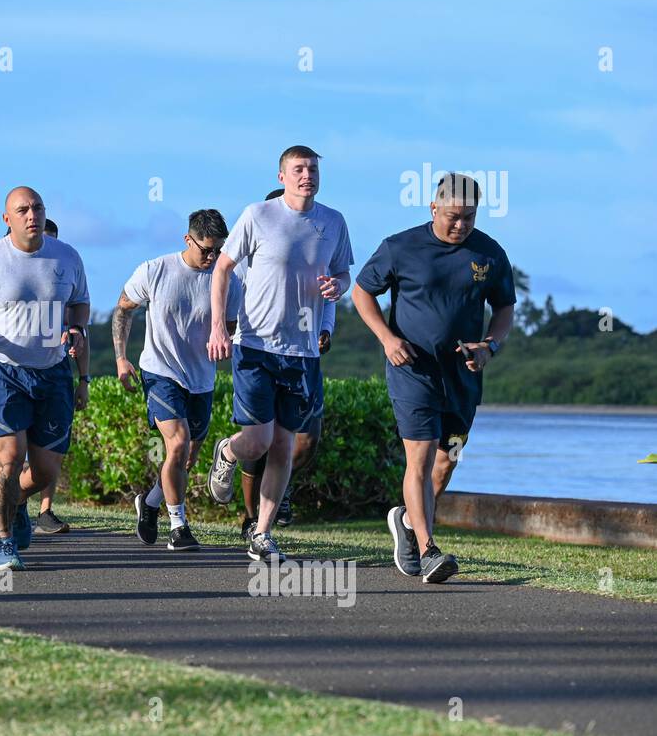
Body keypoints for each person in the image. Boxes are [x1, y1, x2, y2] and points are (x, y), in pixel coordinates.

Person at [352, 172, 515, 583]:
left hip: (462, 377)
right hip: (413, 371)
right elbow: (361, 292)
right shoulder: (400, 247)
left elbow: (504, 308)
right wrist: (387, 339)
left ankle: (406, 519)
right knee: (421, 458)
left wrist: (490, 346)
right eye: (453, 216)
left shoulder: (490, 253)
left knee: (448, 461)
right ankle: (428, 549)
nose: (460, 225)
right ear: (433, 208)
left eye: (470, 217)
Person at [205, 146, 353, 564]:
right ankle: (227, 452)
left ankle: (262, 533)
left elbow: (343, 273)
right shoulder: (258, 215)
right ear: (282, 175)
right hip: (255, 344)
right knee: (258, 440)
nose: (307, 175)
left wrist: (337, 288)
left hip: (302, 351)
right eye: (299, 169)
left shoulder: (333, 221)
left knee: (285, 446)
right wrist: (219, 326)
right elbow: (222, 269)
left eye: (312, 169)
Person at [0, 186, 90, 572]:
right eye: (22, 209)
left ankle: (18, 500)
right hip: (0, 370)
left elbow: (80, 303)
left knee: (44, 471)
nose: (32, 215)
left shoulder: (67, 257)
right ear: (7, 219)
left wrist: (75, 329)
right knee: (8, 457)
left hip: (52, 371)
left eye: (37, 208)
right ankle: (5, 543)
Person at [116, 209, 237, 550]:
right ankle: (179, 526)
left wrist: (226, 340)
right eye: (206, 250)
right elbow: (124, 307)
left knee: (185, 459)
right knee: (178, 442)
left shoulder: (228, 279)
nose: (212, 257)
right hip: (160, 370)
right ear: (188, 240)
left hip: (201, 377)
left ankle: (150, 502)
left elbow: (230, 328)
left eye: (219, 250)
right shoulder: (156, 270)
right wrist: (121, 358)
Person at [237, 189, 337, 536]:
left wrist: (325, 329)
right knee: (258, 442)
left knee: (303, 439)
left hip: (304, 353)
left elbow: (330, 291)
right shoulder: (253, 248)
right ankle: (253, 520)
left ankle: (280, 490)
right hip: (260, 350)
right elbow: (232, 292)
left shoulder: (318, 243)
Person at [0, 217, 69, 537]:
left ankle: (23, 505)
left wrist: (83, 378)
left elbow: (75, 321)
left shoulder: (60, 274)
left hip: (47, 373)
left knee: (42, 460)